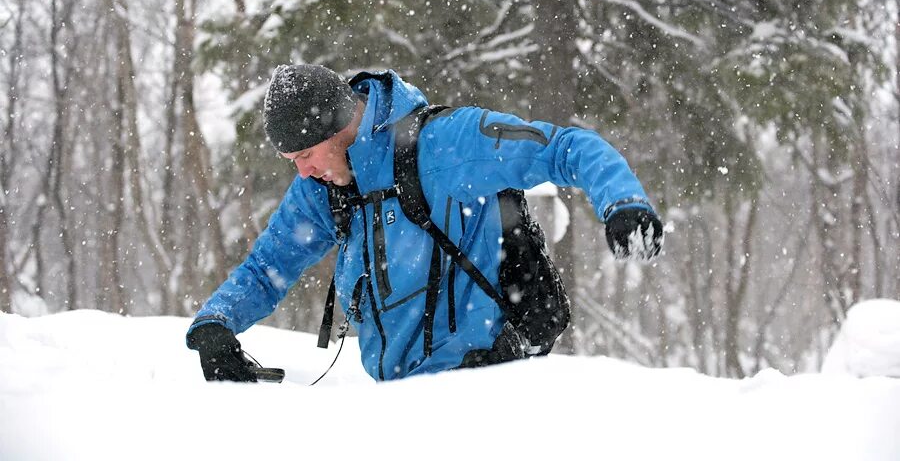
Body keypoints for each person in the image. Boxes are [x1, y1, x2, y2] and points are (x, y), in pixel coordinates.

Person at [186, 64, 663, 382]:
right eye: (293, 160)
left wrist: (622, 202)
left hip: (488, 398)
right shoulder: (325, 189)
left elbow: (564, 147)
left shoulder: (447, 144)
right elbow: (268, 266)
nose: (303, 171)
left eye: (306, 155)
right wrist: (216, 323)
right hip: (398, 414)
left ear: (336, 126)